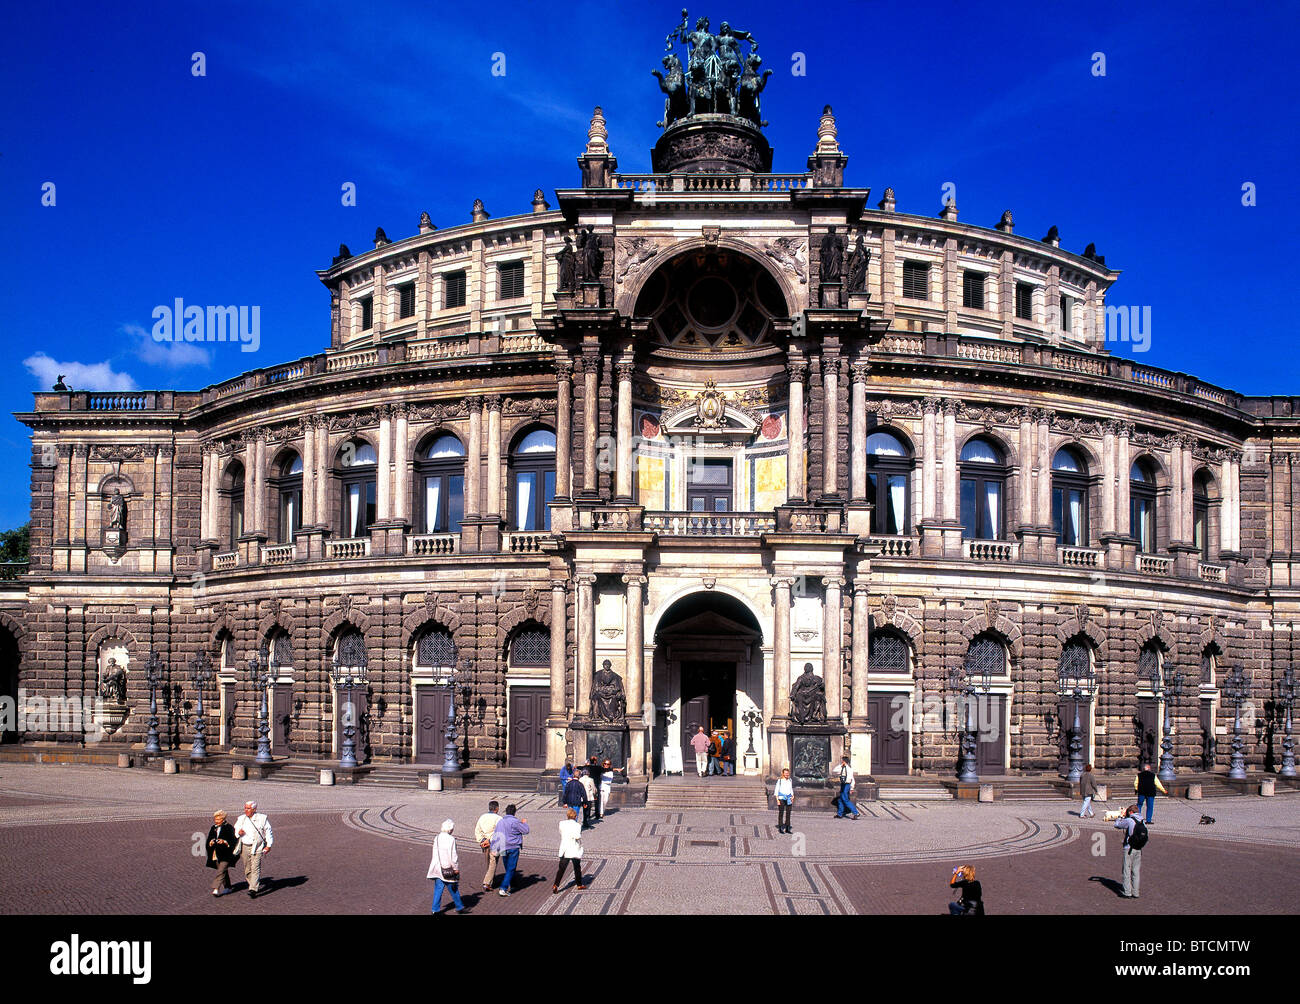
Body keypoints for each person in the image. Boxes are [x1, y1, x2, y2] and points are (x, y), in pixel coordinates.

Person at [233, 800, 273, 898]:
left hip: (257, 846)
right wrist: (239, 832)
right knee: (248, 869)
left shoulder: (262, 818)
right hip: (244, 846)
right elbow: (236, 829)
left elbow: (268, 831)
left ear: (254, 809)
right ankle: (252, 883)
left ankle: (253, 888)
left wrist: (269, 845)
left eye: (248, 808)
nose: (246, 810)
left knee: (255, 867)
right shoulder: (241, 819)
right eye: (245, 808)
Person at [428, 819, 465, 914]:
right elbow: (453, 856)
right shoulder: (451, 839)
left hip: (438, 868)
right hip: (448, 868)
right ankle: (459, 906)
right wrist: (456, 868)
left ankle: (435, 909)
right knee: (453, 888)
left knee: (438, 889)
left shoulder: (437, 837)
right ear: (450, 829)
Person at [494, 804, 530, 897]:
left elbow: (496, 834)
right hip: (513, 847)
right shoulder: (516, 822)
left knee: (508, 868)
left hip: (502, 847)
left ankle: (513, 883)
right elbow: (526, 830)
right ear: (514, 812)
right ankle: (503, 888)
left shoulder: (500, 822)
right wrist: (524, 823)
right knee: (511, 868)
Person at [1114, 803, 1148, 899]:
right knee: (1136, 871)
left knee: (1126, 870)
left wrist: (1121, 816)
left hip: (1129, 848)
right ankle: (1136, 892)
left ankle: (1127, 892)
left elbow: (1117, 825)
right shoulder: (1142, 821)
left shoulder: (1129, 820)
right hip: (1139, 848)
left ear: (1130, 812)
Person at [205, 810, 239, 897]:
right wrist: (211, 842)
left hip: (227, 854)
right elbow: (209, 839)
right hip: (216, 853)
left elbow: (233, 840)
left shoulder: (229, 827)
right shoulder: (214, 827)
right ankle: (228, 887)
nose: (216, 821)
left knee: (221, 870)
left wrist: (224, 842)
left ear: (223, 819)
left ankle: (216, 888)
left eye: (218, 819)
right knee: (223, 871)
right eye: (215, 819)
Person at [553, 808, 586, 893]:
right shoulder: (577, 825)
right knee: (577, 867)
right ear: (575, 816)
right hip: (574, 849)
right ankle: (579, 884)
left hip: (564, 848)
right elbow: (578, 836)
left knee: (561, 868)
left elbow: (561, 832)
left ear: (567, 816)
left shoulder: (561, 823)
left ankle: (556, 884)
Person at [474, 800, 503, 891]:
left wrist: (482, 840)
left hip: (484, 843)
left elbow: (477, 830)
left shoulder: (482, 817)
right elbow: (500, 833)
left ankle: (491, 880)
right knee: (493, 862)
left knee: (488, 861)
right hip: (494, 844)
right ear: (497, 808)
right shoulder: (499, 818)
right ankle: (487, 882)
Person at [774, 767, 794, 834]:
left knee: (788, 813)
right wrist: (777, 800)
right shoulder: (780, 781)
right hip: (781, 798)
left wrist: (792, 796)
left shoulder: (790, 780)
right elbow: (776, 790)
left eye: (787, 773)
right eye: (785, 773)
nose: (787, 774)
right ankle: (780, 827)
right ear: (783, 773)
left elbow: (791, 789)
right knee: (781, 813)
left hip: (788, 798)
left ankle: (787, 828)